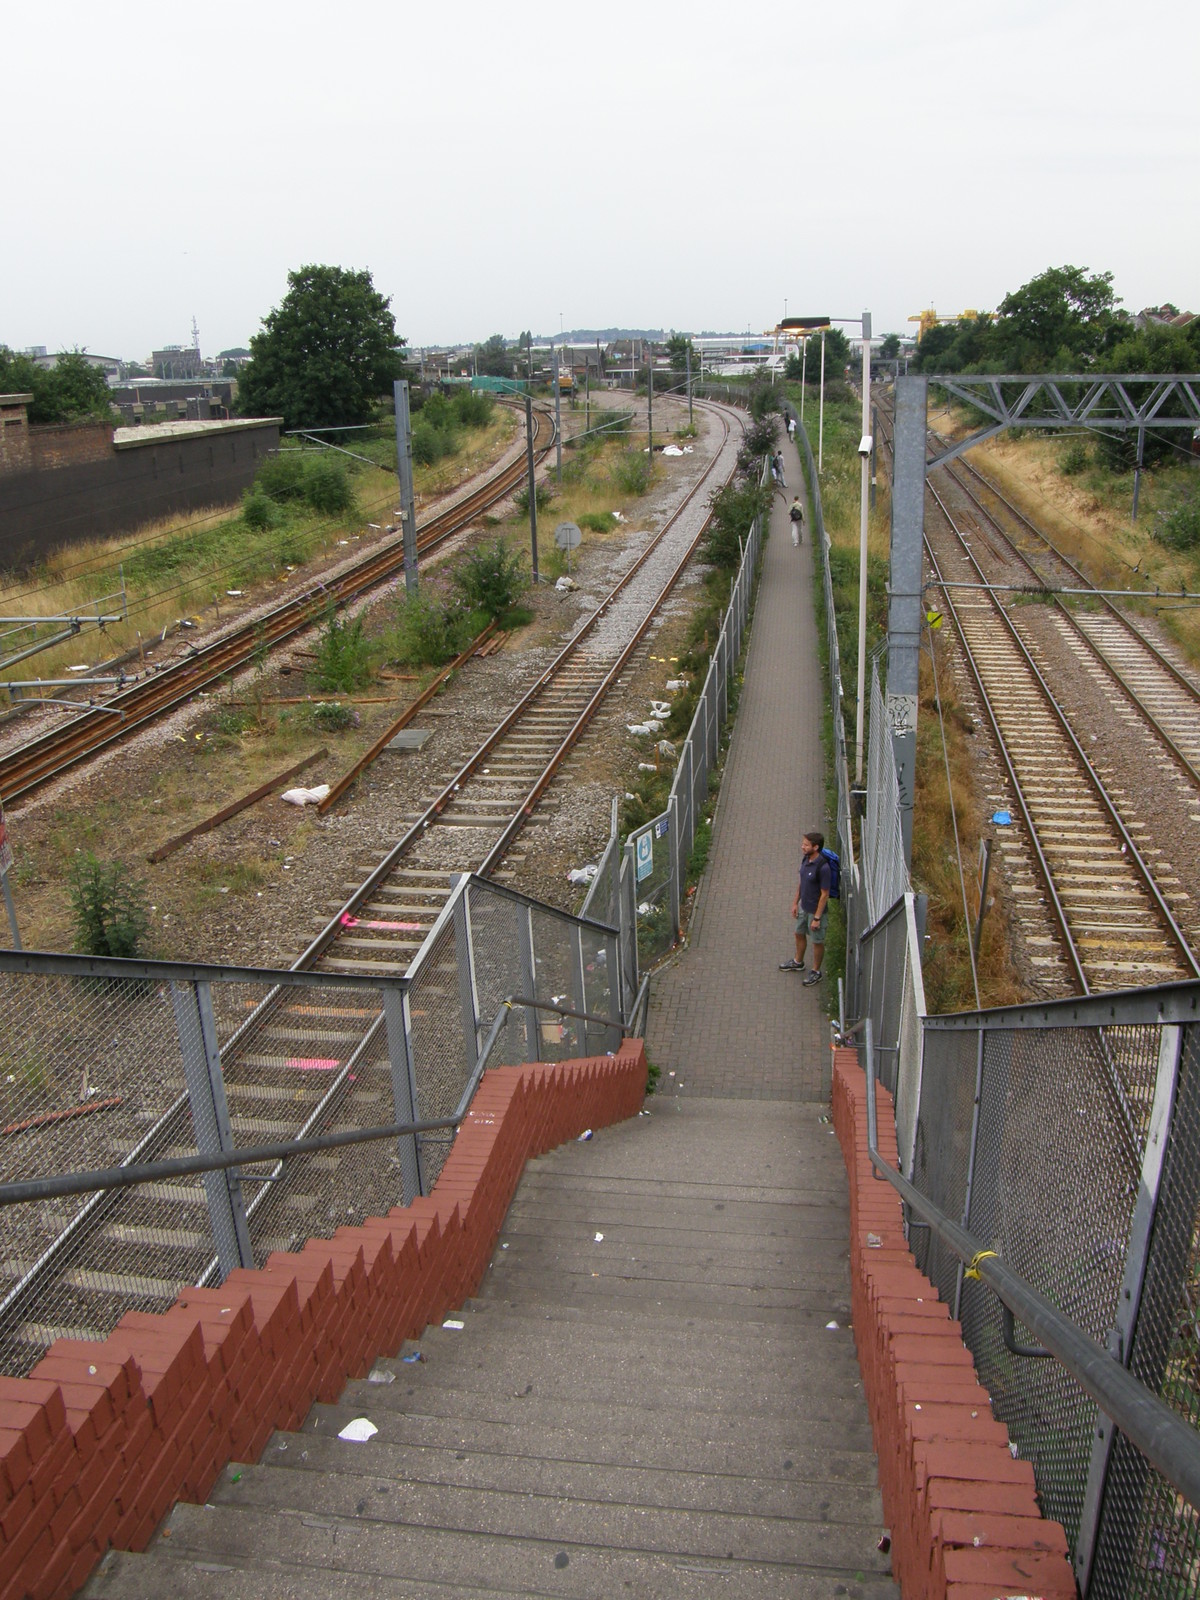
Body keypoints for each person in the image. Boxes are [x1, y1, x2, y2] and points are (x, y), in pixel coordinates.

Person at [779, 831, 831, 985]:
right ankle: (798, 961)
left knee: (817, 941)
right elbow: (802, 883)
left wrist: (817, 918)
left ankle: (816, 971)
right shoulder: (806, 860)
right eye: (803, 844)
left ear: (816, 847)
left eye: (806, 845)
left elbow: (824, 895)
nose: (802, 847)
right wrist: (795, 903)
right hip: (804, 908)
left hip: (816, 912)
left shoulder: (823, 868)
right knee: (798, 933)